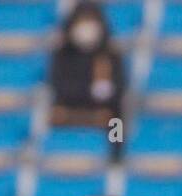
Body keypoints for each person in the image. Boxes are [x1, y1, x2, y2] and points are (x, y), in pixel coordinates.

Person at [48, 1, 125, 129]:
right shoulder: (62, 55)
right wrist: (89, 93)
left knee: (116, 123)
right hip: (68, 117)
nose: (87, 28)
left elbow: (119, 88)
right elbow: (58, 86)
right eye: (82, 21)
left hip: (106, 118)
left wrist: (106, 93)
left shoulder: (110, 56)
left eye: (91, 21)